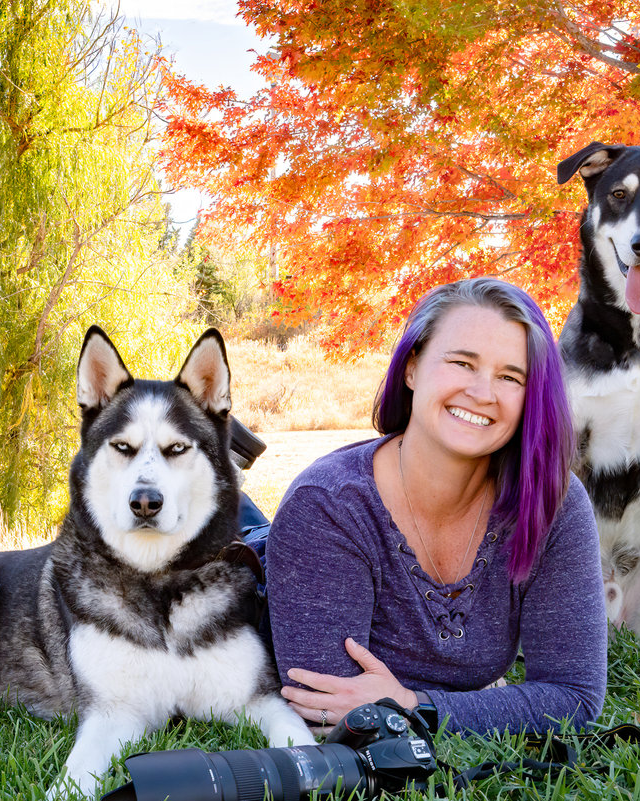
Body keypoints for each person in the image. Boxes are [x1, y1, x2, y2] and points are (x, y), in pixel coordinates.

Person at [248, 277, 607, 737]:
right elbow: (326, 709)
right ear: (412, 368)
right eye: (462, 363)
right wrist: (490, 707)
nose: (483, 393)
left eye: (510, 377)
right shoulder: (329, 507)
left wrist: (411, 705)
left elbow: (574, 696)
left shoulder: (551, 502)